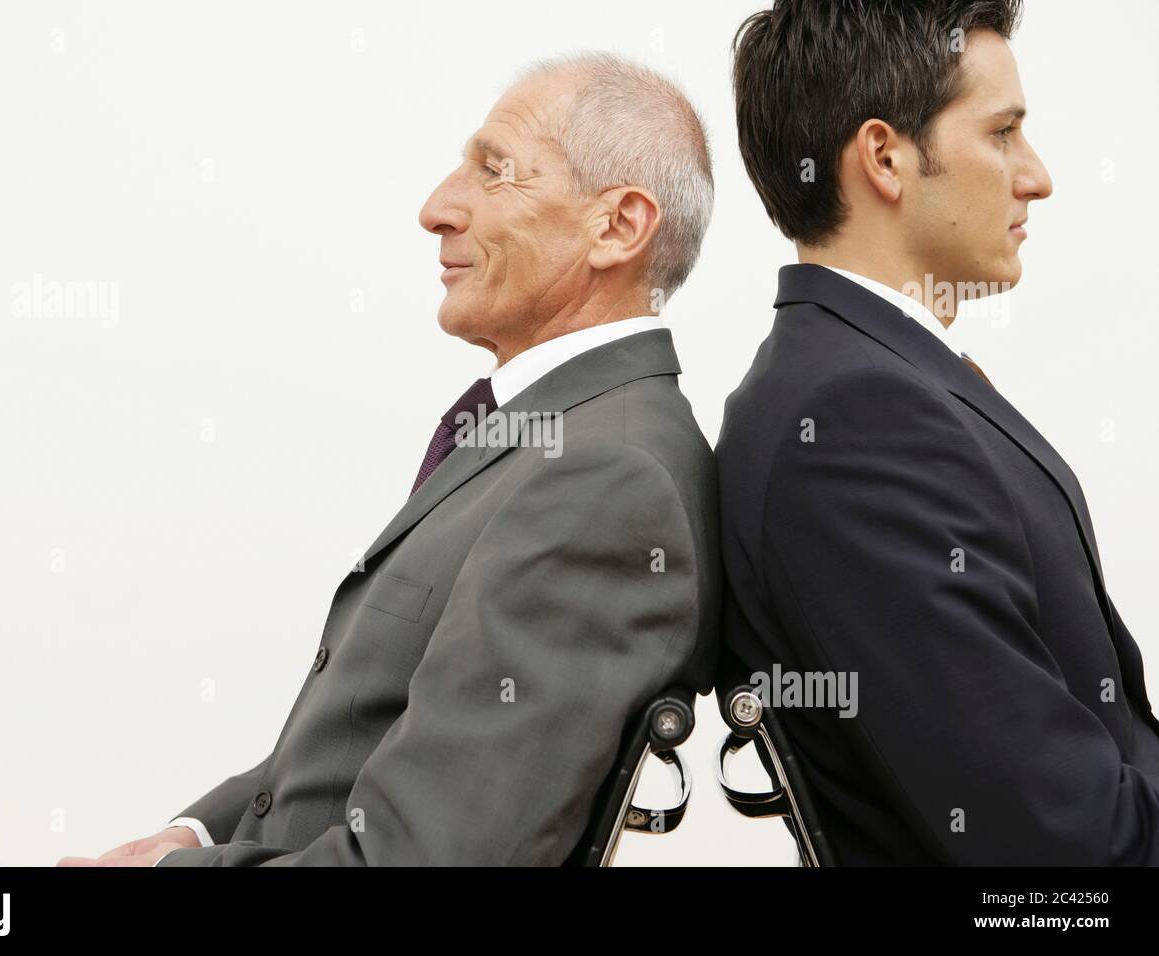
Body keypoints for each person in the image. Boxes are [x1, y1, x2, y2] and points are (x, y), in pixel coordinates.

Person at [59, 52, 721, 867]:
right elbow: (359, 744)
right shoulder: (557, 437)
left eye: (495, 170)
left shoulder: (607, 478)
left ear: (618, 226)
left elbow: (427, 858)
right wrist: (189, 835)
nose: (437, 208)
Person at [717, 0, 1159, 864]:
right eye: (1002, 133)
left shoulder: (872, 382)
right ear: (884, 157)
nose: (1036, 176)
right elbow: (1060, 850)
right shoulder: (852, 425)